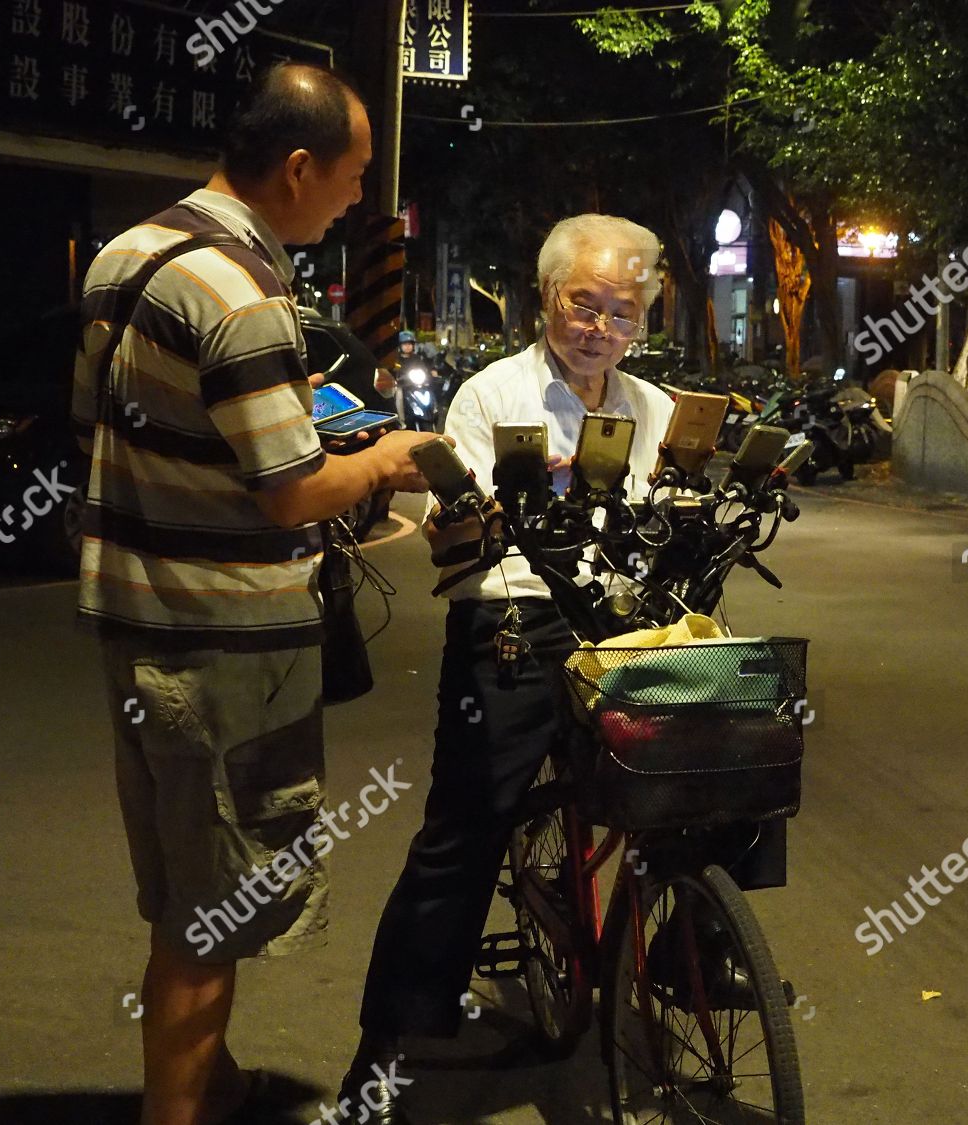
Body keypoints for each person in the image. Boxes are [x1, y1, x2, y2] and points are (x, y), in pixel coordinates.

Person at [71, 63, 437, 1125]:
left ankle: (210, 1078)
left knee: (185, 884)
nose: (359, 199)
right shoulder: (245, 293)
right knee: (214, 912)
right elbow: (293, 492)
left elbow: (109, 423)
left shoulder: (124, 256)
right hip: (219, 645)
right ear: (296, 168)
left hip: (133, 623)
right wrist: (388, 461)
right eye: (355, 176)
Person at [336, 214, 675, 1122]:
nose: (602, 327)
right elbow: (458, 529)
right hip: (513, 622)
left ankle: (699, 957)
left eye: (624, 311)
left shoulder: (654, 408)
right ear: (546, 300)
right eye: (585, 304)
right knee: (465, 830)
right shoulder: (490, 396)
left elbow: (667, 513)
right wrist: (502, 511)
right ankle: (389, 1042)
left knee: (716, 767)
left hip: (618, 627)